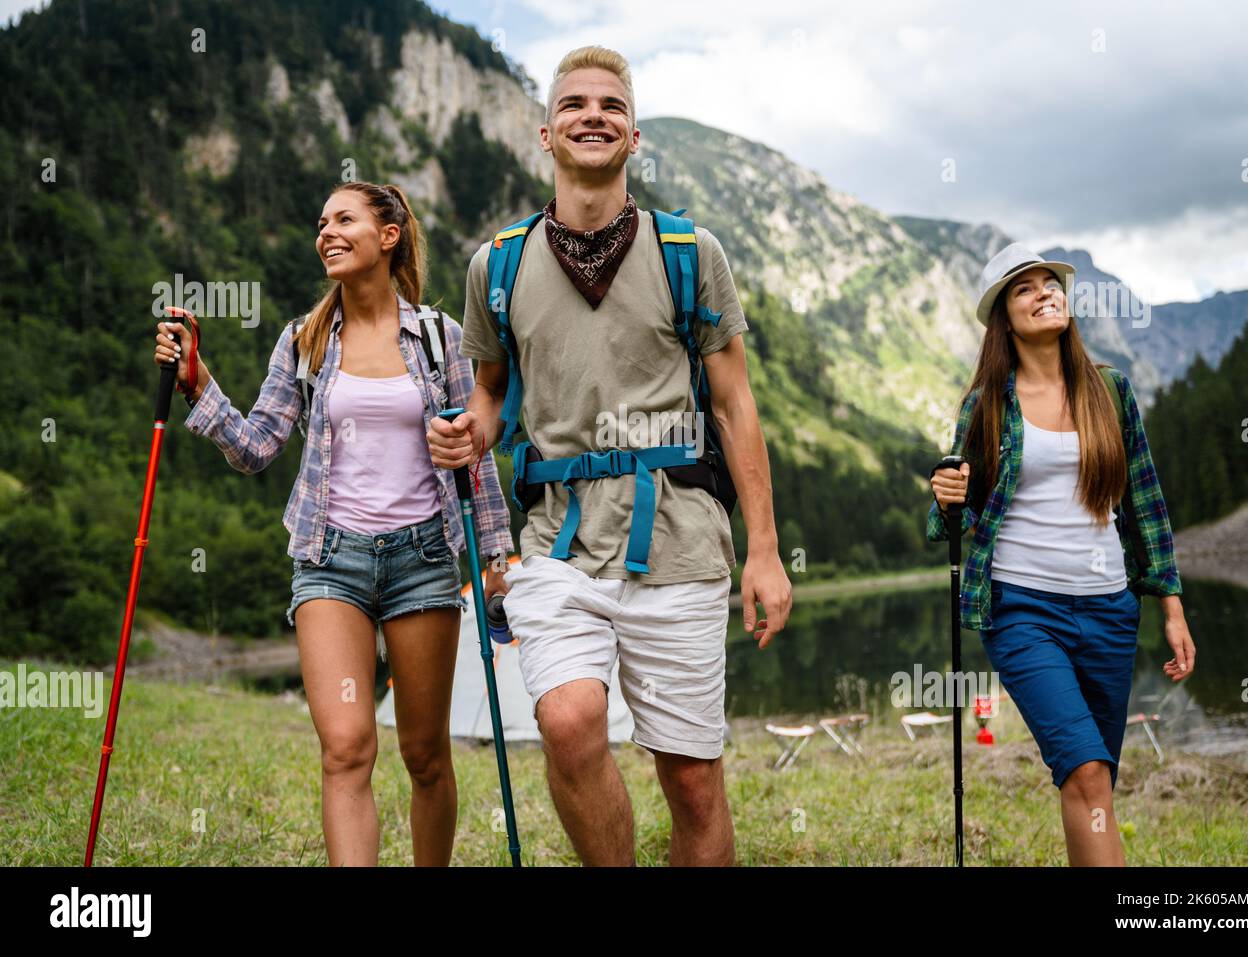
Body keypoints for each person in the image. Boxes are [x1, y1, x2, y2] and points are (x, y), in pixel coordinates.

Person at [427, 45, 792, 866]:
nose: (594, 114)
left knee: (692, 781)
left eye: (611, 106)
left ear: (634, 137)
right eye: (576, 104)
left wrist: (763, 551)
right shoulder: (499, 263)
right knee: (565, 718)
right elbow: (489, 394)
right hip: (555, 538)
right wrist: (468, 430)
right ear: (546, 133)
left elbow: (735, 406)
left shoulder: (690, 252)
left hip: (681, 535)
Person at [153, 181, 514, 866]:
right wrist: (199, 383)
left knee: (425, 755)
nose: (327, 232)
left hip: (424, 559)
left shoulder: (440, 339)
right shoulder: (305, 339)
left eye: (344, 219)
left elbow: (474, 455)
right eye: (321, 222)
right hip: (329, 558)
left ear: (390, 234)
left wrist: (495, 560)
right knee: (347, 745)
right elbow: (257, 445)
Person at [927, 242, 1196, 866]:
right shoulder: (988, 404)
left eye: (1051, 283)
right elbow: (950, 521)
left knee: (1097, 781)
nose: (1045, 293)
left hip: (1109, 611)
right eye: (1026, 288)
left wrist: (1172, 607)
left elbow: (1145, 503)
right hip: (1022, 611)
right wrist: (947, 497)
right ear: (1004, 317)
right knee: (1085, 775)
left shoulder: (1111, 390)